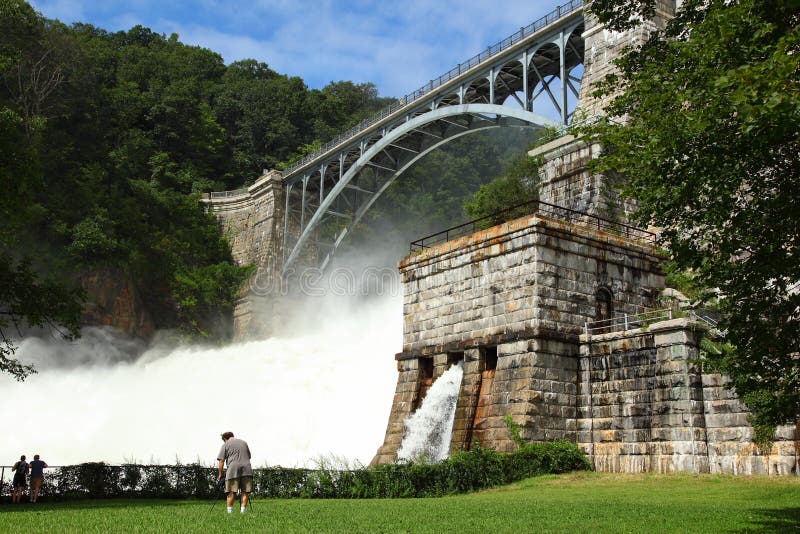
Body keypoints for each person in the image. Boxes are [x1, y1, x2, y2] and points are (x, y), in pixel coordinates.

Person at [216, 431, 253, 514]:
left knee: (231, 492)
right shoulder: (244, 443)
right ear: (232, 436)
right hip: (247, 469)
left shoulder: (226, 445)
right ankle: (242, 512)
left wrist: (220, 474)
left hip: (233, 470)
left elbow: (221, 461)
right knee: (245, 491)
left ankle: (229, 513)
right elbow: (249, 456)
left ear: (225, 439)